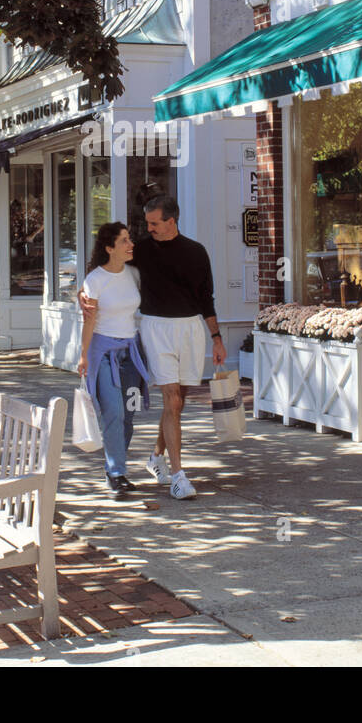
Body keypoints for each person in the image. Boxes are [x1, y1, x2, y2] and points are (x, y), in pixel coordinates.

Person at [80, 195, 225, 501]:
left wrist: (217, 338)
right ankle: (173, 475)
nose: (148, 230)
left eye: (154, 223)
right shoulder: (142, 251)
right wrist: (81, 294)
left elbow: (205, 297)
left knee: (176, 403)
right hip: (152, 331)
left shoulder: (196, 252)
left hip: (186, 330)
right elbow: (104, 269)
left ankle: (156, 456)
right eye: (146, 224)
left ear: (171, 221)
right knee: (162, 400)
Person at [78, 222, 151, 499]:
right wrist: (83, 355)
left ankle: (116, 470)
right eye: (124, 241)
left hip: (131, 353)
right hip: (104, 353)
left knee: (128, 414)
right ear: (109, 248)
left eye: (129, 239)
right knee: (114, 412)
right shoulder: (95, 280)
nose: (130, 244)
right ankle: (116, 473)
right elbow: (89, 320)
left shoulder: (133, 274)